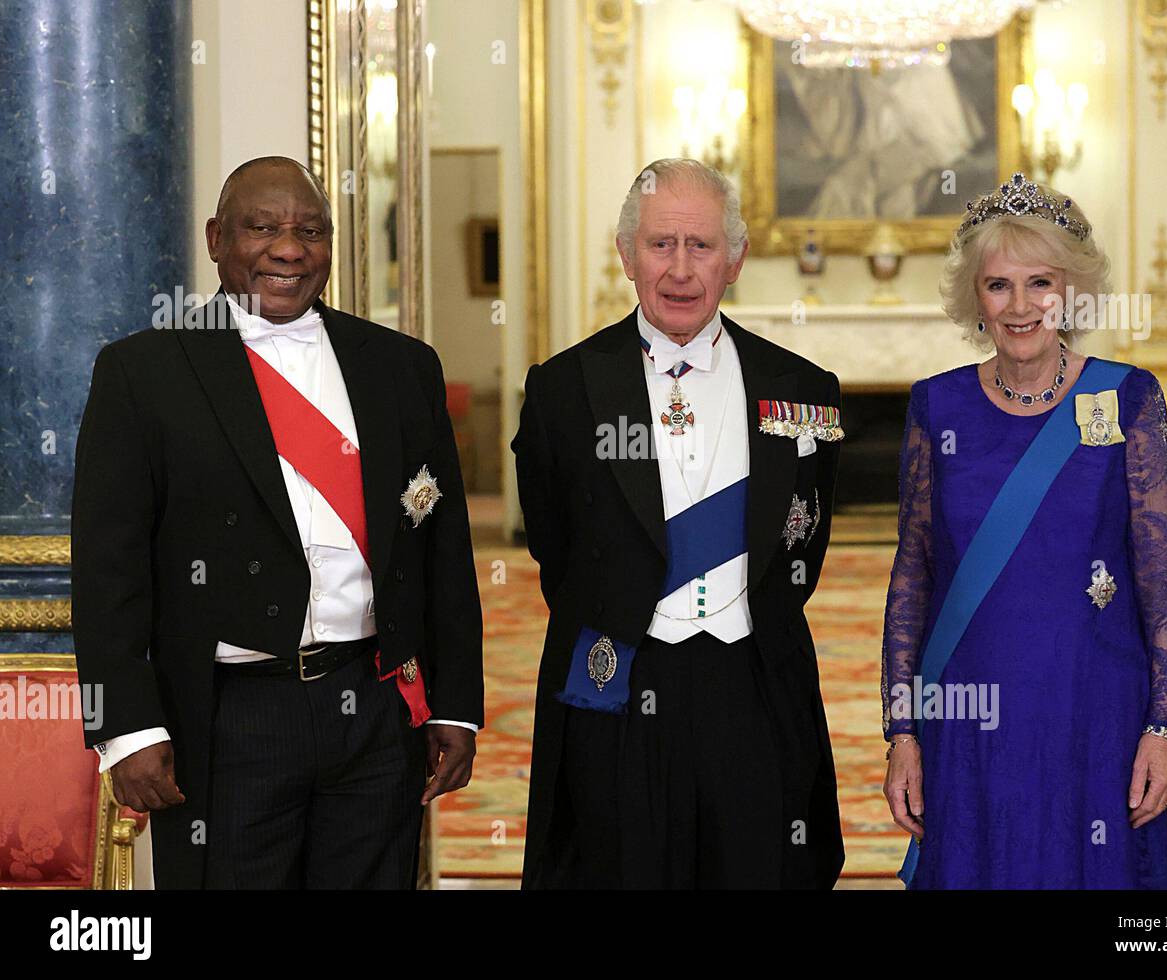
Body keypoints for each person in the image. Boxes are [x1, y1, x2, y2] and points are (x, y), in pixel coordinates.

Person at [72, 157, 483, 889]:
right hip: (231, 719)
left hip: (375, 708)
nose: (288, 249)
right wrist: (128, 729)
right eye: (261, 227)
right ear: (215, 239)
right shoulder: (145, 372)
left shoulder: (400, 366)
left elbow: (441, 552)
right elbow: (109, 570)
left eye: (310, 230)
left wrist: (456, 705)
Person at [512, 158, 844, 888]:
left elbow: (802, 549)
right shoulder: (564, 391)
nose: (682, 269)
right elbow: (555, 546)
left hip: (752, 680)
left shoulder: (802, 390)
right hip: (620, 682)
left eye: (701, 245)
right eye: (662, 245)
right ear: (627, 254)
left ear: (736, 259)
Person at [881, 173, 1167, 889]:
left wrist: (1161, 728)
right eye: (998, 285)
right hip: (969, 713)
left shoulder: (1127, 398)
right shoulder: (938, 406)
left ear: (1070, 291)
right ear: (974, 298)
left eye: (1040, 282)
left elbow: (1159, 580)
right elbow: (913, 576)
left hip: (1093, 710)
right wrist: (901, 733)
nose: (1020, 306)